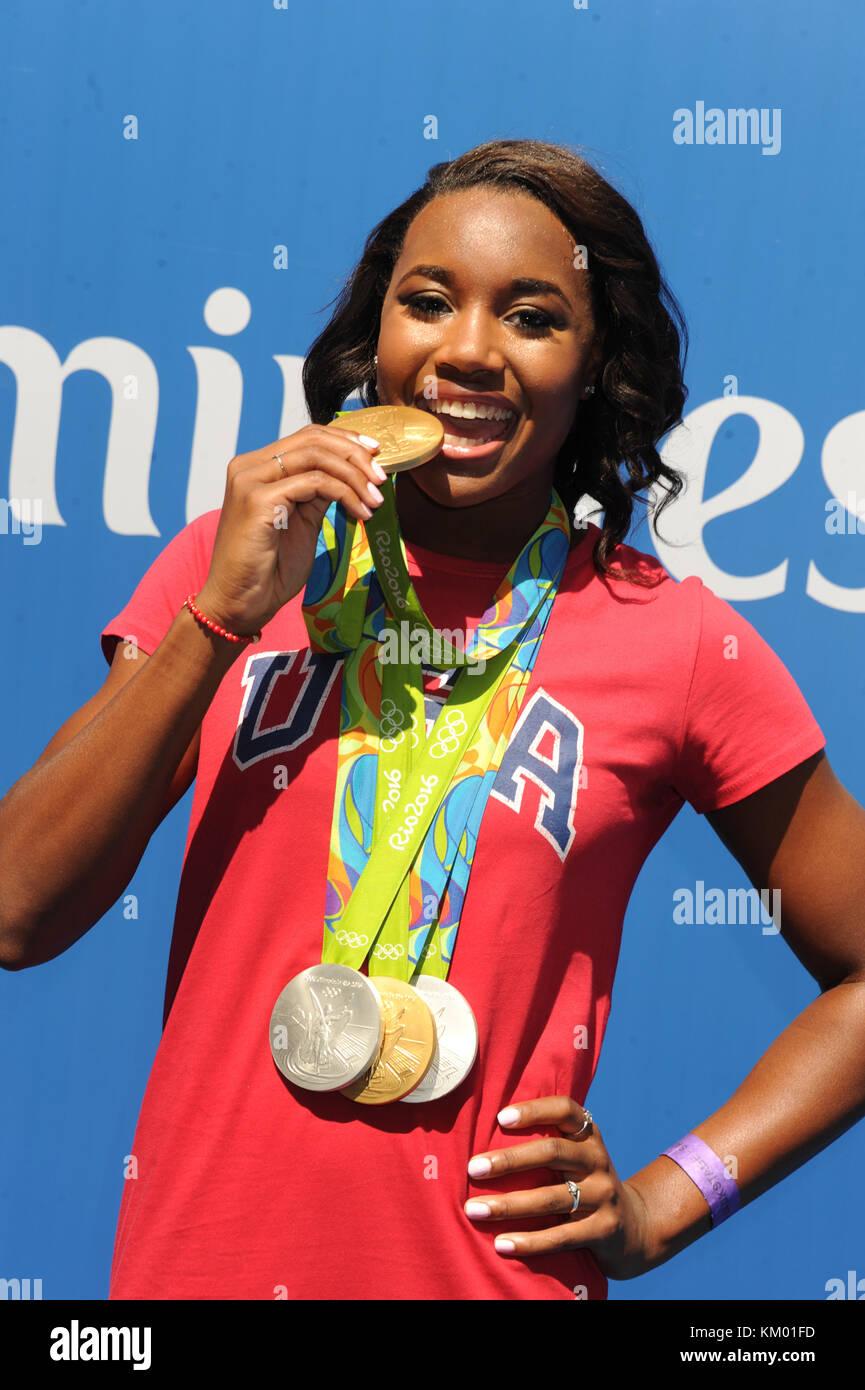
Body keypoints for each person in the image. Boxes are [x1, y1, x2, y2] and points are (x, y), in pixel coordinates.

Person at [2, 138, 864, 1302]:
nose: (467, 350)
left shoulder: (678, 643)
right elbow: (17, 908)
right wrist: (219, 618)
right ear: (377, 341)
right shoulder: (237, 563)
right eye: (427, 303)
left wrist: (669, 1198)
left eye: (531, 316)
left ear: (595, 362)